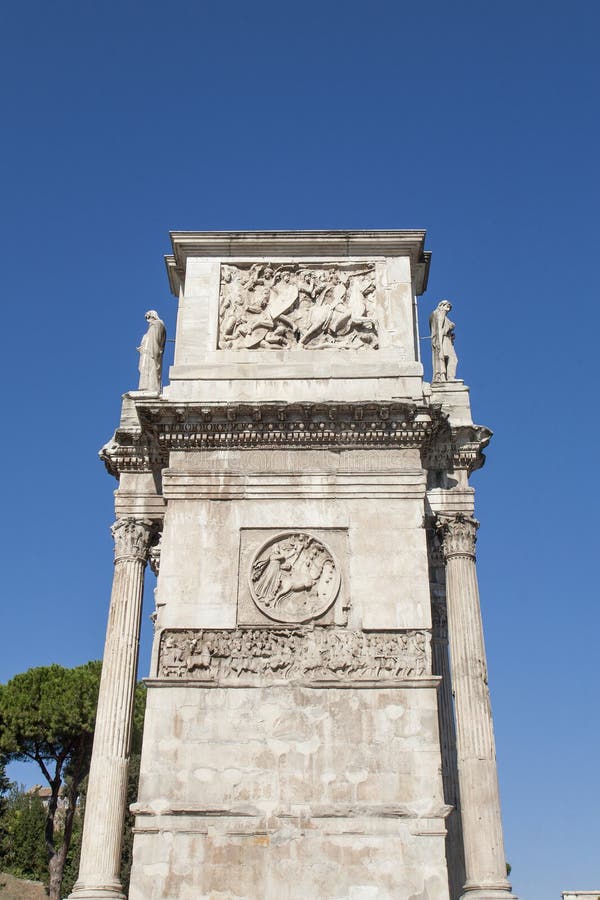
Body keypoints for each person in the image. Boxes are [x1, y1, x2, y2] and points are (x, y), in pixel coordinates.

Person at [429, 300, 458, 382]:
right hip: (443, 340)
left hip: (446, 339)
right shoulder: (440, 313)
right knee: (452, 359)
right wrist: (439, 344)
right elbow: (439, 329)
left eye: (449, 307)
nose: (448, 308)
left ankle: (446, 377)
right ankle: (450, 377)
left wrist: (450, 334)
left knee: (447, 359)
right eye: (447, 306)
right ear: (442, 305)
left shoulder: (437, 314)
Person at [138, 310, 166, 392]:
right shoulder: (153, 327)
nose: (148, 320)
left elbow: (156, 340)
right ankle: (146, 386)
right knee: (145, 368)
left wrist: (153, 350)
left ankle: (152, 387)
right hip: (147, 352)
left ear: (153, 316)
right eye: (147, 318)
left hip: (152, 352)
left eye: (149, 317)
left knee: (151, 367)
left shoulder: (157, 324)